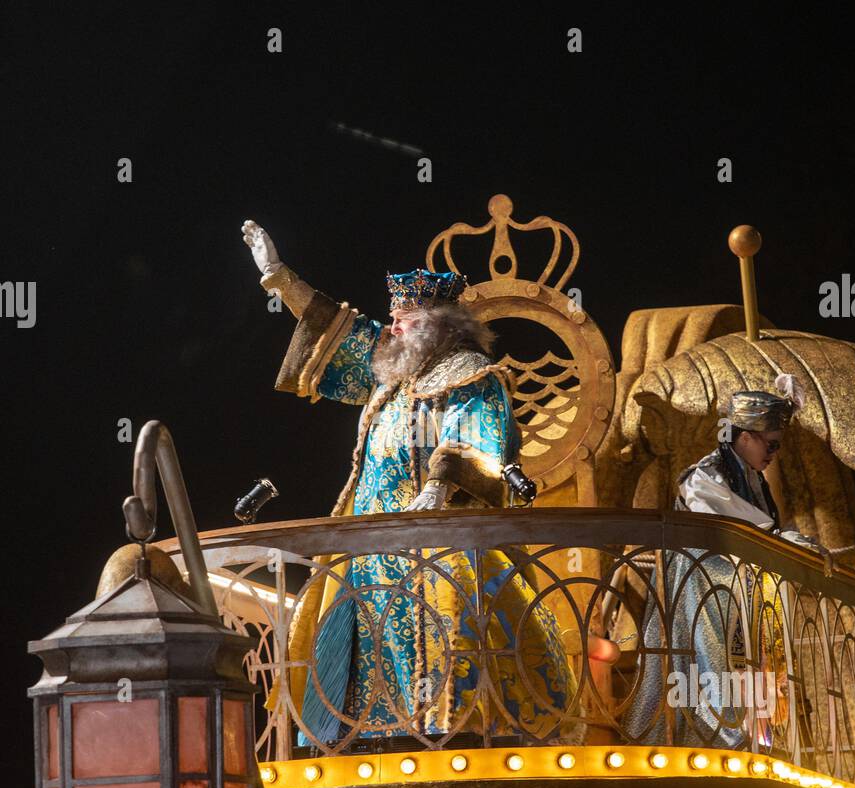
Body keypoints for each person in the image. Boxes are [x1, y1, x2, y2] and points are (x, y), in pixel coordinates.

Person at [241, 220, 575, 747]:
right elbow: (337, 329)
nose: (392, 329)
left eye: (405, 320)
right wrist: (280, 277)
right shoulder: (394, 374)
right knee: (348, 647)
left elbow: (481, 446)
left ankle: (448, 738)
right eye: (392, 320)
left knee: (446, 637)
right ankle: (356, 741)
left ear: (441, 326)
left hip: (437, 545)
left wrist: (437, 490)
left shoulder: (470, 375)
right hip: (368, 544)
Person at [622, 376, 816, 749]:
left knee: (747, 658)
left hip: (738, 589)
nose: (774, 453)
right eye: (771, 444)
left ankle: (750, 733)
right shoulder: (705, 476)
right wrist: (778, 540)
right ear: (746, 436)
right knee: (708, 659)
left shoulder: (753, 480)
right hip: (703, 584)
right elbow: (734, 526)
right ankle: (721, 734)